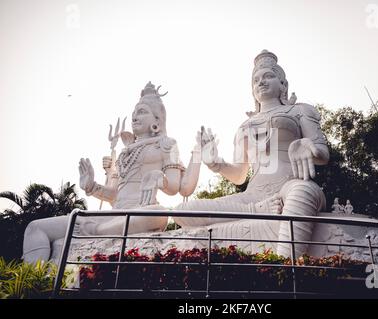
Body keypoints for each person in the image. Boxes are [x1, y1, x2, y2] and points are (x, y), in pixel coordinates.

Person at [21, 82, 200, 263]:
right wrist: (92, 186)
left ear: (157, 121)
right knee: (35, 228)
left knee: (157, 213)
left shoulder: (167, 144)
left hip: (143, 212)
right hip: (112, 216)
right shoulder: (125, 152)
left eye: (142, 112)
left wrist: (159, 178)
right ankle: (34, 283)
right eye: (134, 114)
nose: (135, 118)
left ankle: (94, 231)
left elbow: (175, 188)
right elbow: (114, 194)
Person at [173, 50, 329, 257]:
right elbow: (239, 175)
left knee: (303, 192)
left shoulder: (299, 110)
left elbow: (323, 154)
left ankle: (284, 269)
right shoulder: (245, 125)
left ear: (283, 84)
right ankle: (259, 212)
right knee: (183, 211)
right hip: (253, 198)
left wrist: (305, 144)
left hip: (290, 186)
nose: (261, 83)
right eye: (256, 80)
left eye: (268, 76)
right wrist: (216, 164)